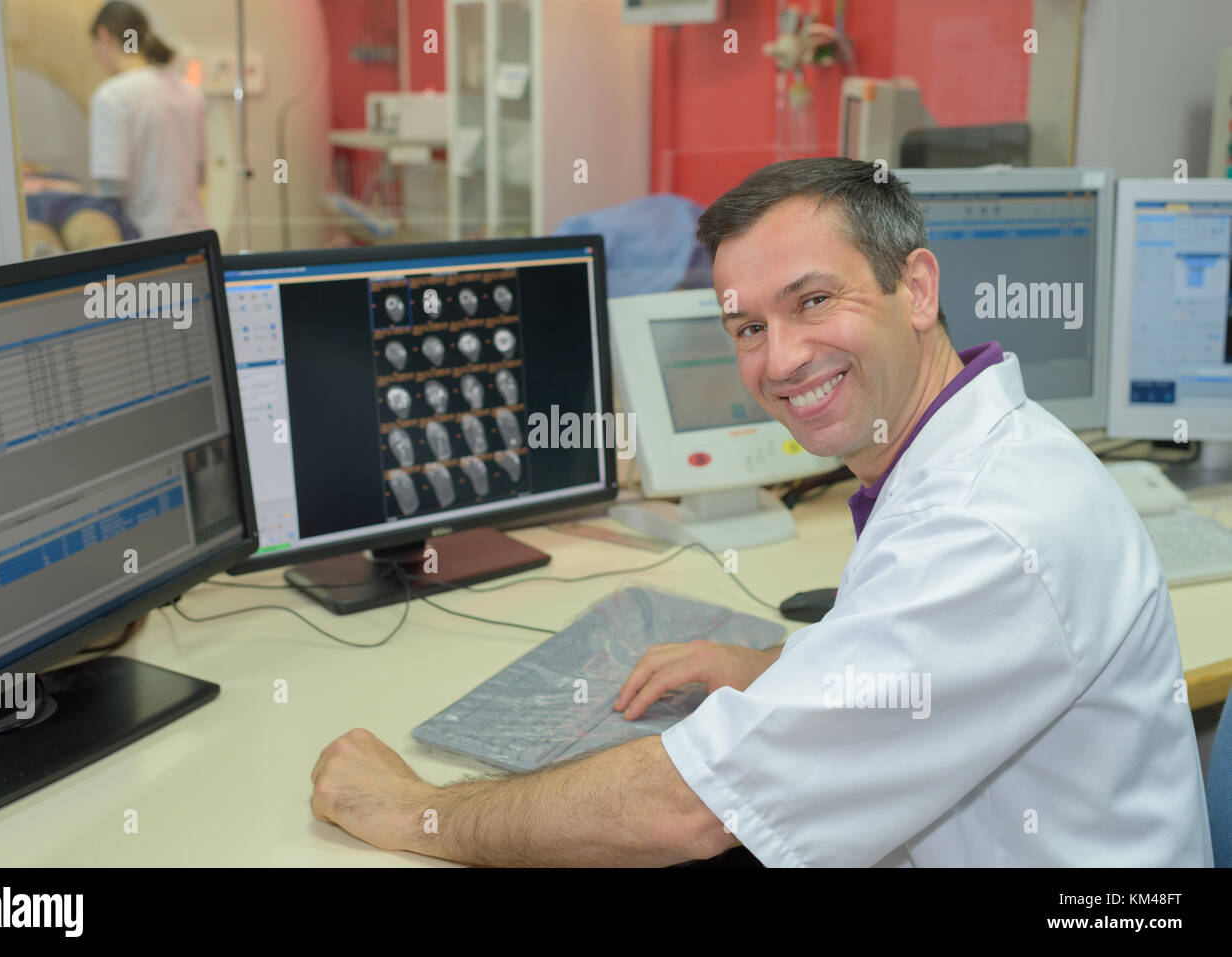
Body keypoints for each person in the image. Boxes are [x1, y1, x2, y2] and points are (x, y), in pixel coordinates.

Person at [309, 158, 1214, 867]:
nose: (780, 360)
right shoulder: (958, 454)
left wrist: (414, 808)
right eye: (748, 326)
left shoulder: (988, 529)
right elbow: (904, 641)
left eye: (814, 301)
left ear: (920, 288)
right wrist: (772, 664)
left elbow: (686, 810)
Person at [88, 1, 207, 238]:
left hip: (146, 241)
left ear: (103, 36)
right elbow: (200, 174)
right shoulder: (190, 92)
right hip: (196, 235)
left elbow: (111, 190)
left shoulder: (111, 96)